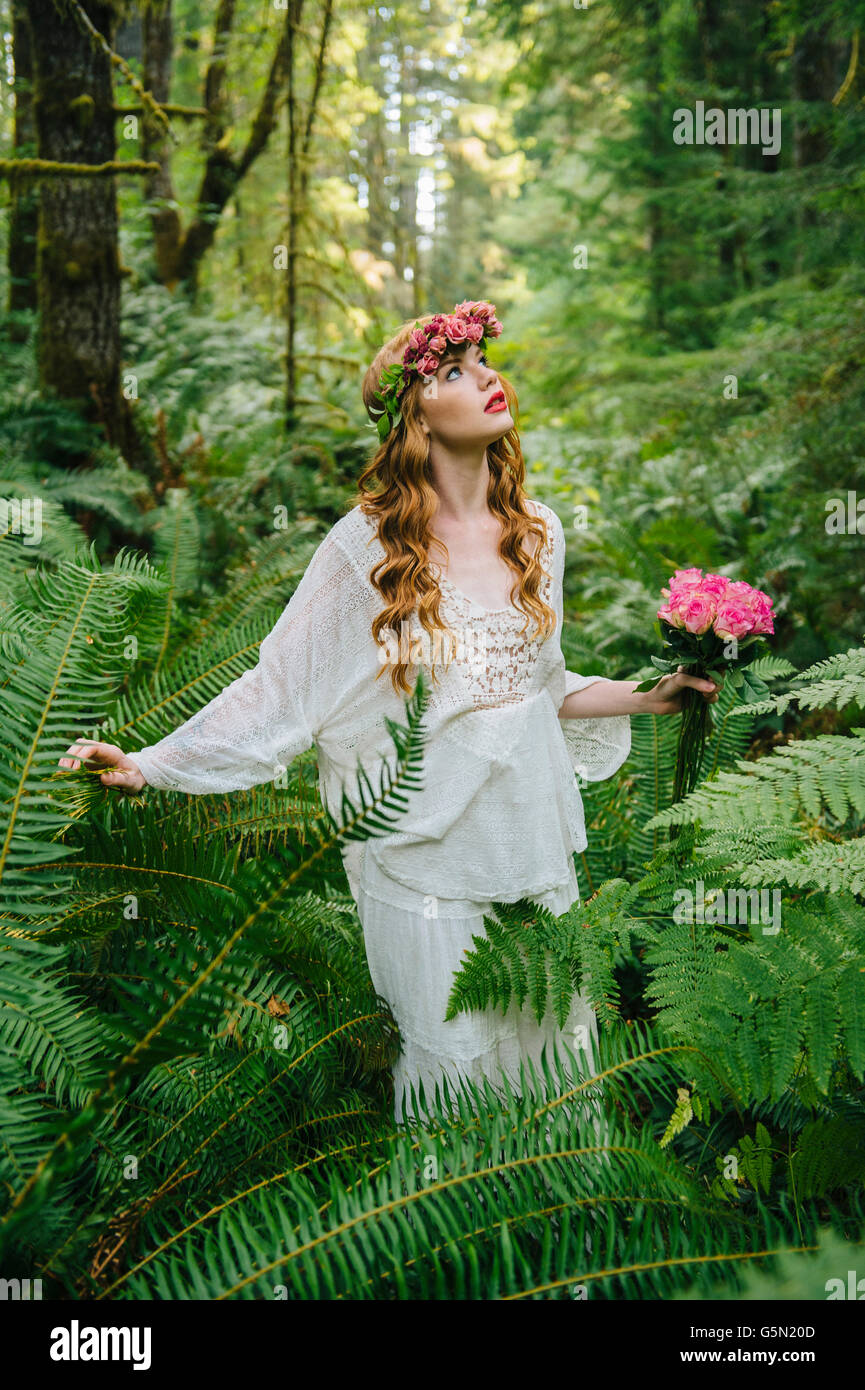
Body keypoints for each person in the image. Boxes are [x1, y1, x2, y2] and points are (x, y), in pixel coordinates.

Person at [60, 298, 721, 1125]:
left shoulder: (538, 535)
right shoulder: (364, 549)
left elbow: (537, 687)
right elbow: (281, 686)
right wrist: (153, 763)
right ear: (415, 414)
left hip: (528, 842)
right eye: (453, 371)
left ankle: (557, 1231)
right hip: (423, 854)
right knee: (453, 1063)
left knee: (553, 1047)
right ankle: (447, 1240)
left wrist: (654, 697)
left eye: (482, 361)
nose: (484, 377)